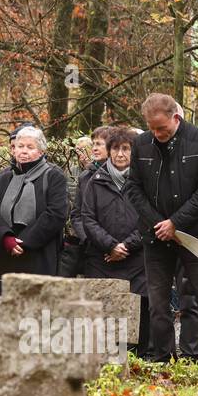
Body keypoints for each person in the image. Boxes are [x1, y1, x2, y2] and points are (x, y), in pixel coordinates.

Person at [125, 92, 198, 359]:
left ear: (176, 117)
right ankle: (162, 360)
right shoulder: (141, 144)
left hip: (194, 233)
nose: (156, 133)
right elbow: (134, 188)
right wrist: (158, 224)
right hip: (155, 237)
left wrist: (175, 223)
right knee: (158, 303)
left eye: (161, 128)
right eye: (151, 128)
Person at [79, 125, 149, 350]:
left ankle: (138, 359)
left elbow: (149, 218)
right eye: (116, 149)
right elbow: (87, 218)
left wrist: (127, 246)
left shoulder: (144, 182)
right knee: (102, 311)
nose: (120, 154)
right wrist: (110, 246)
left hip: (137, 259)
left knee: (139, 310)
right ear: (109, 151)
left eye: (126, 149)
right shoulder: (94, 181)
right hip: (102, 259)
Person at [0, 124, 68, 281]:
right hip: (5, 253)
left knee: (37, 303)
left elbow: (56, 214)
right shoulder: (3, 177)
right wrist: (6, 238)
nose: (24, 151)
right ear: (14, 149)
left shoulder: (54, 176)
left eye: (30, 147)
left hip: (40, 255)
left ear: (41, 151)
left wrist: (24, 241)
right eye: (20, 146)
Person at [61, 125, 112, 278]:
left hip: (122, 251)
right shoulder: (85, 176)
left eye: (99, 144)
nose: (94, 148)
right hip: (92, 251)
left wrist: (116, 245)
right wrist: (89, 239)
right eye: (94, 144)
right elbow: (77, 215)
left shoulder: (124, 174)